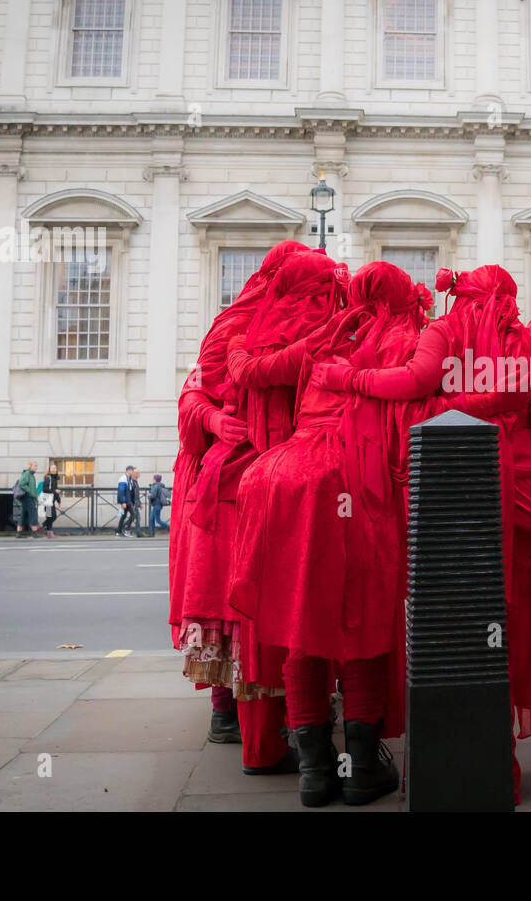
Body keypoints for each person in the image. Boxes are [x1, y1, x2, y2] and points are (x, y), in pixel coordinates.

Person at [312, 263, 531, 802]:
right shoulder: (524, 335)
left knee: (456, 617)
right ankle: (501, 766)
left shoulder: (441, 331)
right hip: (529, 486)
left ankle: (455, 757)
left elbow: (417, 388)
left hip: (460, 476)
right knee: (504, 619)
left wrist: (348, 378)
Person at [228, 260, 428, 807]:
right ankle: (362, 768)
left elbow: (246, 369)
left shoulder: (327, 336)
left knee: (301, 625)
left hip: (281, 476)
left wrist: (253, 314)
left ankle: (315, 773)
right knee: (361, 625)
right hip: (353, 477)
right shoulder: (406, 336)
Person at [170, 241, 340, 771]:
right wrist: (218, 420)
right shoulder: (256, 326)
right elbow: (197, 392)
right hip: (256, 477)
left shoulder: (244, 323)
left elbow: (198, 388)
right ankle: (274, 729)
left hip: (242, 476)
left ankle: (247, 719)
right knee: (260, 611)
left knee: (240, 609)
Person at [14, 462, 41, 539]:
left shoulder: (32, 475)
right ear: (30, 466)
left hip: (29, 497)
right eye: (35, 466)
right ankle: (34, 533)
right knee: (33, 514)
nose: (36, 467)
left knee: (24, 514)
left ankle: (18, 533)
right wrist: (29, 490)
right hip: (27, 496)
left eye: (36, 466)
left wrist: (35, 497)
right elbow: (22, 483)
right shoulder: (27, 473)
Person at [40, 464, 61, 539]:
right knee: (51, 517)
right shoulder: (48, 478)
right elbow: (44, 489)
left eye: (55, 468)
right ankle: (47, 531)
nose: (53, 469)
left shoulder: (54, 479)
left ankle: (44, 528)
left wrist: (59, 501)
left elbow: (56, 491)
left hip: (51, 501)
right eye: (52, 468)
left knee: (52, 517)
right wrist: (55, 490)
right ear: (49, 470)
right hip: (47, 501)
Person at [116, 465, 137, 538]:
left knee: (124, 516)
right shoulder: (123, 479)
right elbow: (121, 491)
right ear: (128, 470)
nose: (133, 472)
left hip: (129, 501)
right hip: (126, 501)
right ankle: (125, 530)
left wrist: (133, 502)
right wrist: (123, 502)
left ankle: (119, 531)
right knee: (133, 514)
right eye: (132, 471)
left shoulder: (129, 479)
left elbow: (131, 491)